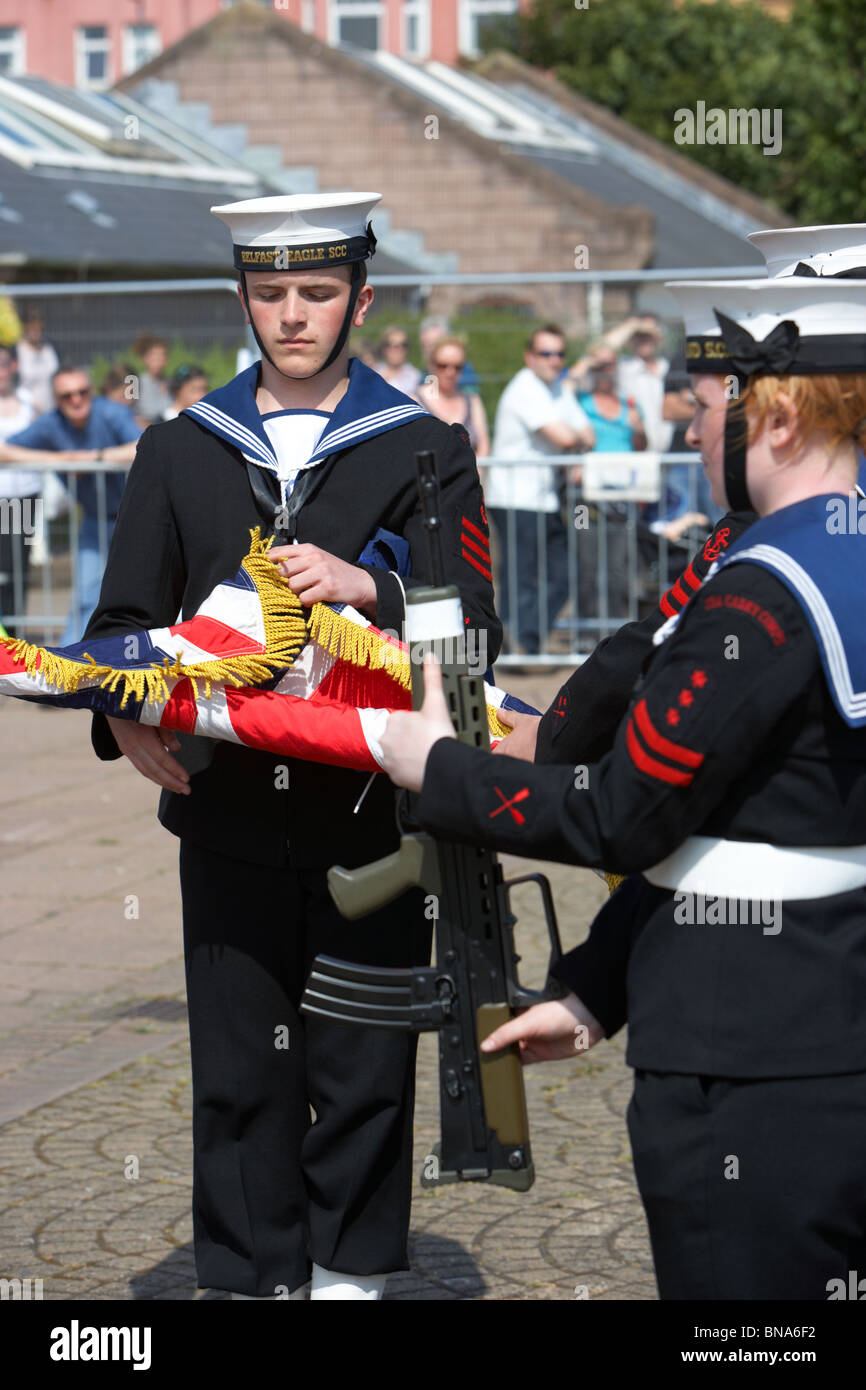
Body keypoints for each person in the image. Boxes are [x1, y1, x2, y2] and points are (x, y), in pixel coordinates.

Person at [377, 240, 866, 1300]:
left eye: (704, 407)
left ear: (774, 418)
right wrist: (595, 988)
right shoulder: (839, 552)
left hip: (751, 1062)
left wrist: (437, 765)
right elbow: (748, 821)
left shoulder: (758, 594)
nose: (686, 429)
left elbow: (621, 816)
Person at [82, 192, 500, 1302]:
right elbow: (125, 618)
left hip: (369, 815)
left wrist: (377, 585)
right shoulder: (178, 447)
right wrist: (119, 708)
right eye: (271, 294)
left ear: (359, 298)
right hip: (222, 810)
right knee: (234, 1062)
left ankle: (351, 1274)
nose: (294, 315)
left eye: (317, 293)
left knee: (364, 1063)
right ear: (243, 301)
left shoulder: (424, 444)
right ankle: (246, 1279)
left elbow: (481, 626)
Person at [0, 365, 140, 645]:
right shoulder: (51, 423)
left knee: (150, 592)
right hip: (93, 520)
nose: (76, 400)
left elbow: (144, 445)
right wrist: (62, 459)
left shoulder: (112, 412)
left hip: (139, 520)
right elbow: (4, 450)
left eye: (82, 392)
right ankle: (69, 667)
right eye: (66, 396)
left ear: (91, 391)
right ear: (55, 399)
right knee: (86, 595)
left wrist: (95, 457)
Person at [484, 324, 595, 656]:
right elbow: (568, 437)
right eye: (546, 353)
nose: (554, 360)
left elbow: (588, 434)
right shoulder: (526, 387)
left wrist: (573, 436)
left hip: (543, 498)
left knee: (565, 574)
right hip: (515, 498)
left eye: (559, 353)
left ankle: (526, 641)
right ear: (530, 357)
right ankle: (517, 644)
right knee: (522, 577)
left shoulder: (557, 390)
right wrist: (573, 438)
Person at [0, 344, 39, 636]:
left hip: (23, 498)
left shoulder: (29, 402)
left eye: (4, 364)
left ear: (12, 366)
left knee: (16, 570)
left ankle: (12, 636)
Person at [415, 335, 489, 458]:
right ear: (431, 364)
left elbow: (483, 446)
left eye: (457, 367)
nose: (450, 372)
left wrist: (475, 473)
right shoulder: (415, 401)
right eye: (443, 366)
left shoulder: (472, 400)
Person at [419, 315, 480, 395]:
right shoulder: (424, 374)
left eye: (435, 345)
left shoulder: (463, 371)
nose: (430, 351)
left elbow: (470, 400)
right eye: (426, 346)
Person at [15, 309, 59, 415]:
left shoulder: (50, 348)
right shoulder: (16, 351)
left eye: (38, 328)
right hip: (27, 411)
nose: (35, 332)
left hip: (51, 409)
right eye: (31, 329)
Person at [132, 333, 172, 425]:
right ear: (144, 359)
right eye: (155, 356)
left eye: (162, 356)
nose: (159, 360)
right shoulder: (135, 382)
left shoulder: (171, 382)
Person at [372, 325, 422, 395]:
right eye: (391, 345)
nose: (397, 350)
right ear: (383, 348)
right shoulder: (373, 373)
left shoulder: (417, 377)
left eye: (403, 345)